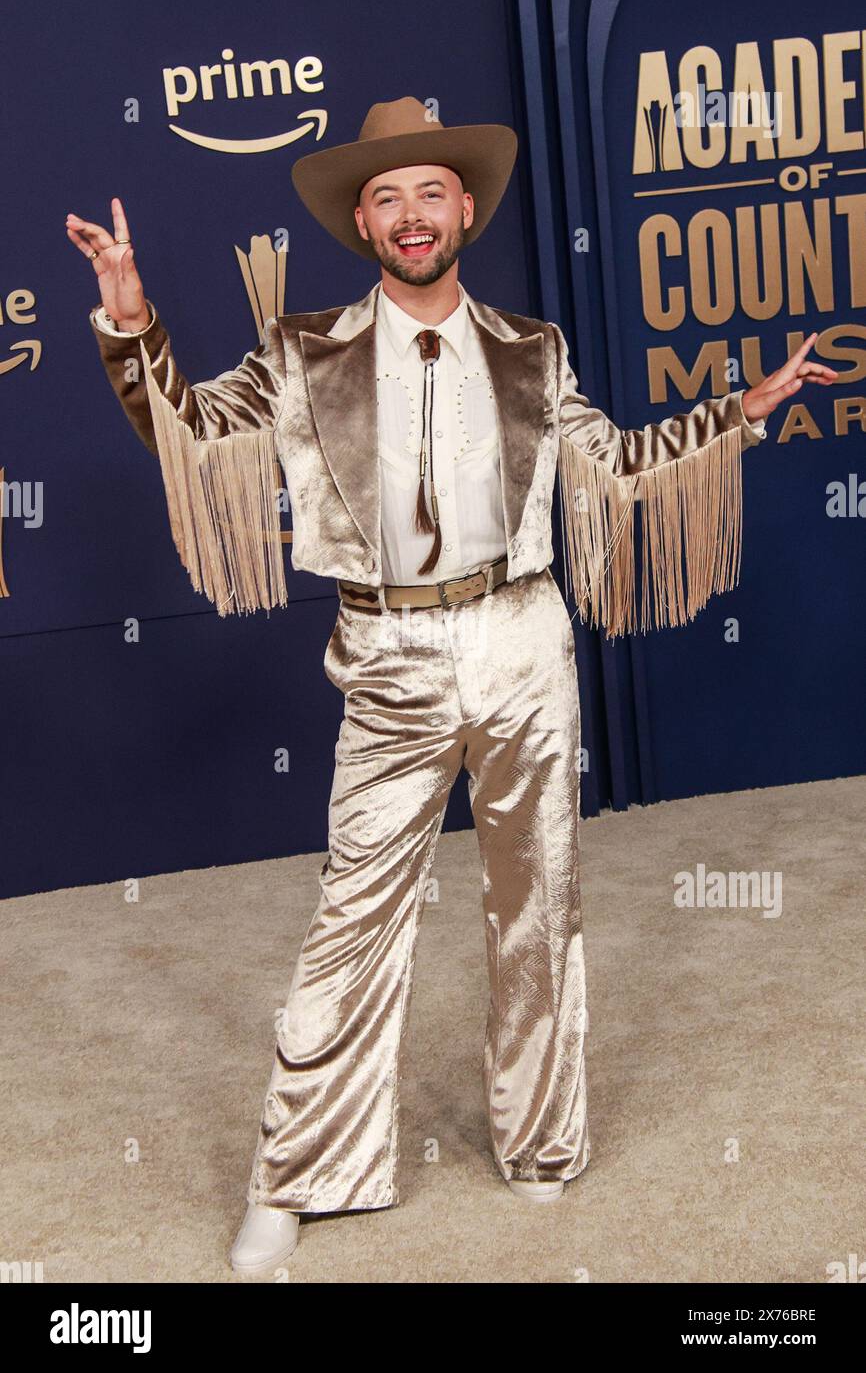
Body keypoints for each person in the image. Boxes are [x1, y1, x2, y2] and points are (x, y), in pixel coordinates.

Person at [66, 96, 837, 1277]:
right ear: (361, 223)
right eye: (386, 197)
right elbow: (187, 424)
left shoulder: (533, 350)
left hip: (523, 637)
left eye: (430, 191)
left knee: (538, 901)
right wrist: (132, 321)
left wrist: (740, 411)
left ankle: (537, 1140)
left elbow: (616, 462)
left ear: (464, 208)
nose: (411, 213)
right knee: (352, 913)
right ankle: (299, 1172)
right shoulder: (304, 349)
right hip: (387, 656)